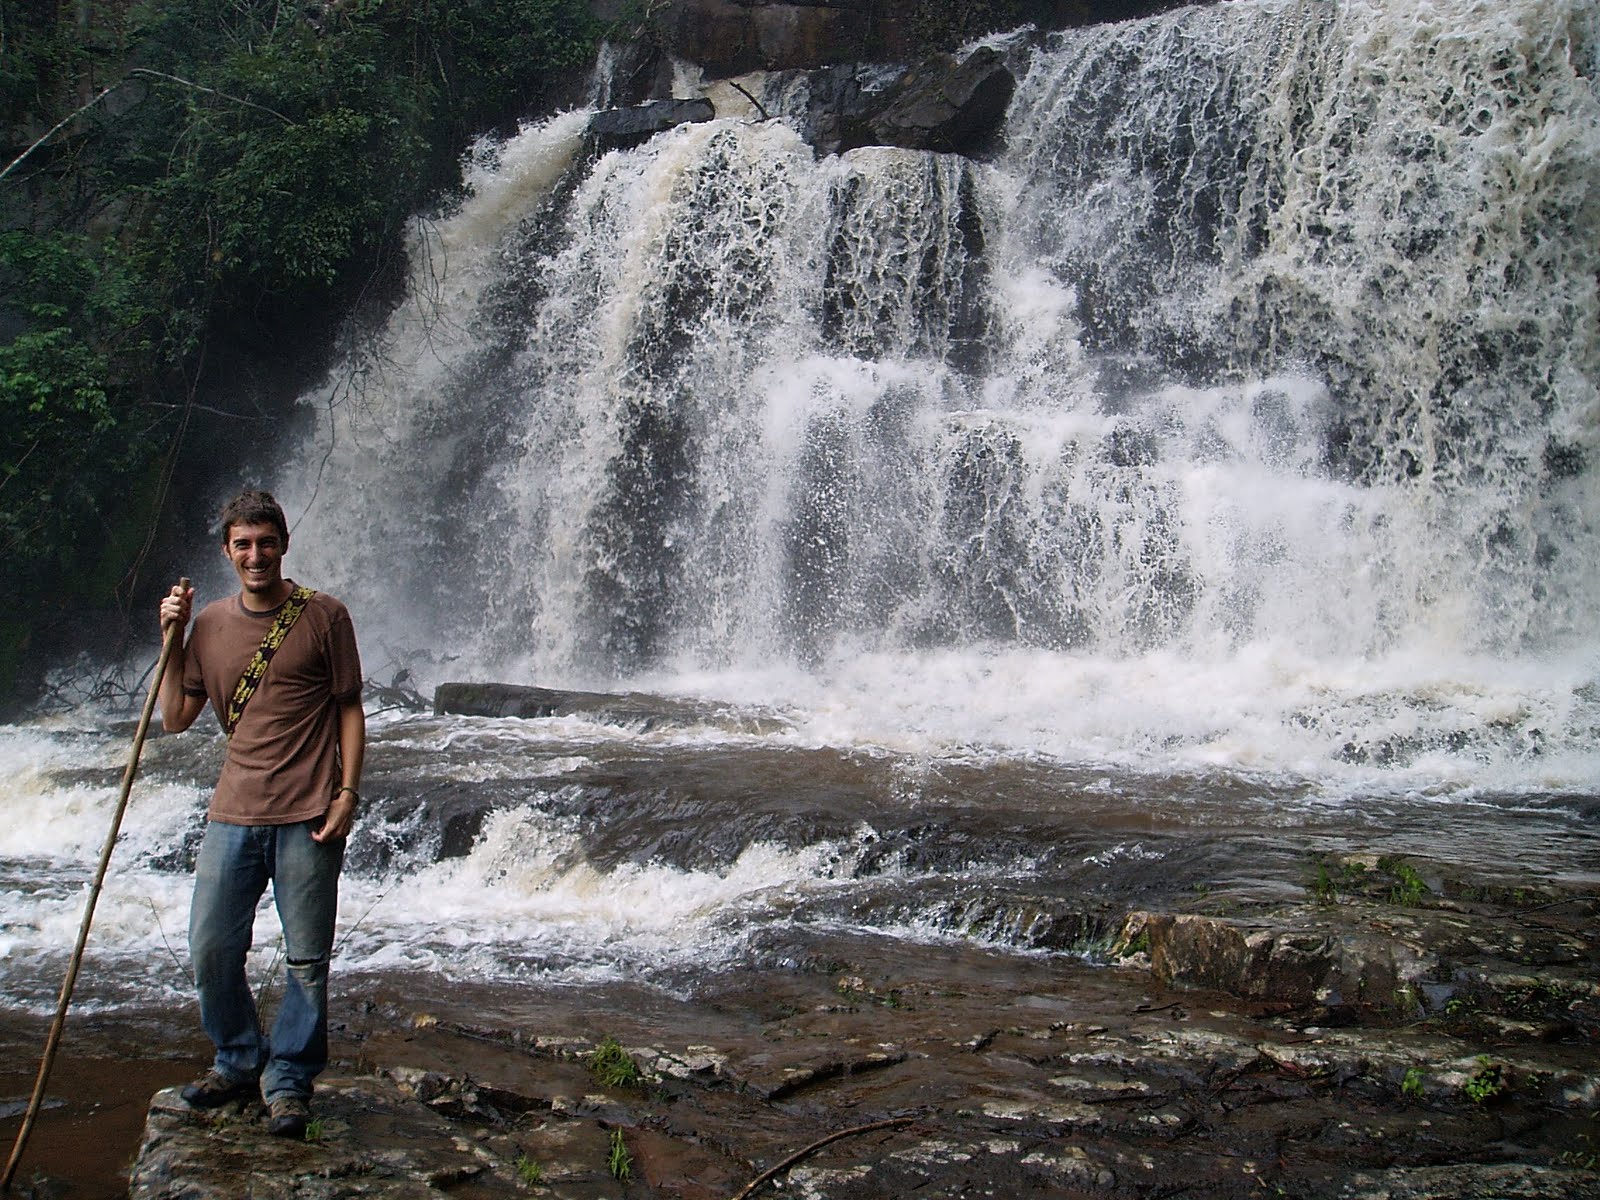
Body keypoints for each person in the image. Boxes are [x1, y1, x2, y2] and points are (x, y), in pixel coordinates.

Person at [158, 489, 364, 1139]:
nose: (256, 555)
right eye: (243, 544)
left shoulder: (325, 616)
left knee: (306, 960)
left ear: (284, 545)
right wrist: (170, 640)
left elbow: (349, 708)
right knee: (210, 948)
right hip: (233, 813)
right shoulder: (208, 626)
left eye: (266, 542)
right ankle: (238, 1058)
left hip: (309, 813)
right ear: (227, 551)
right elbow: (175, 717)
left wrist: (347, 793)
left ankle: (291, 1080)